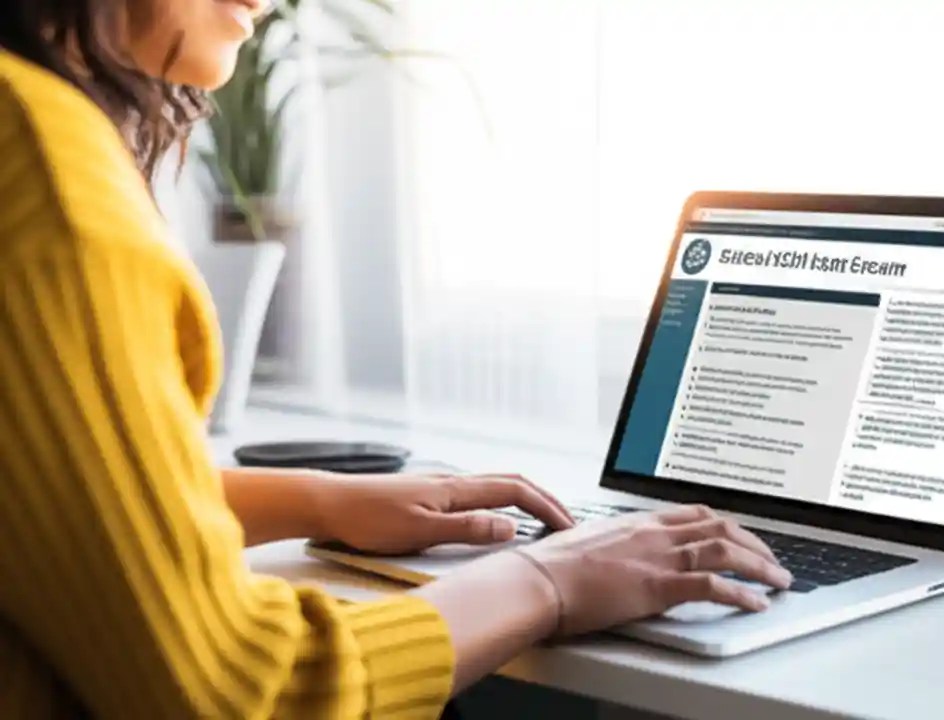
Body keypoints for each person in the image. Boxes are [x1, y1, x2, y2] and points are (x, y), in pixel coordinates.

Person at [0, 1, 793, 717]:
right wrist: (551, 579)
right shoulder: (48, 178)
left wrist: (317, 502)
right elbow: (244, 691)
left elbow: (42, 498)